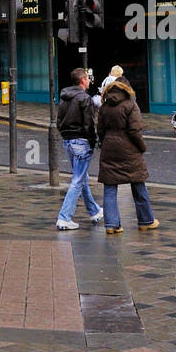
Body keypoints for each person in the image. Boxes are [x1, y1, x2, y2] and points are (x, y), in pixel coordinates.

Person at [96, 77, 160, 233]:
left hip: (109, 148)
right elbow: (134, 131)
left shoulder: (104, 106)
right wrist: (142, 147)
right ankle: (146, 221)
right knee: (138, 183)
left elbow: (100, 130)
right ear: (127, 89)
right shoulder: (131, 105)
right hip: (129, 149)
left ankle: (112, 225)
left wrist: (105, 142)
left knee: (110, 187)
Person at [54, 68, 103, 231]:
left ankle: (94, 211)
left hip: (68, 141)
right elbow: (89, 123)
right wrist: (93, 140)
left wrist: (65, 134)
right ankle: (64, 217)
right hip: (81, 141)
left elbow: (59, 120)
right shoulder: (84, 98)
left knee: (81, 178)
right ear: (82, 80)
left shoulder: (65, 97)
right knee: (78, 180)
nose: (89, 80)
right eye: (88, 78)